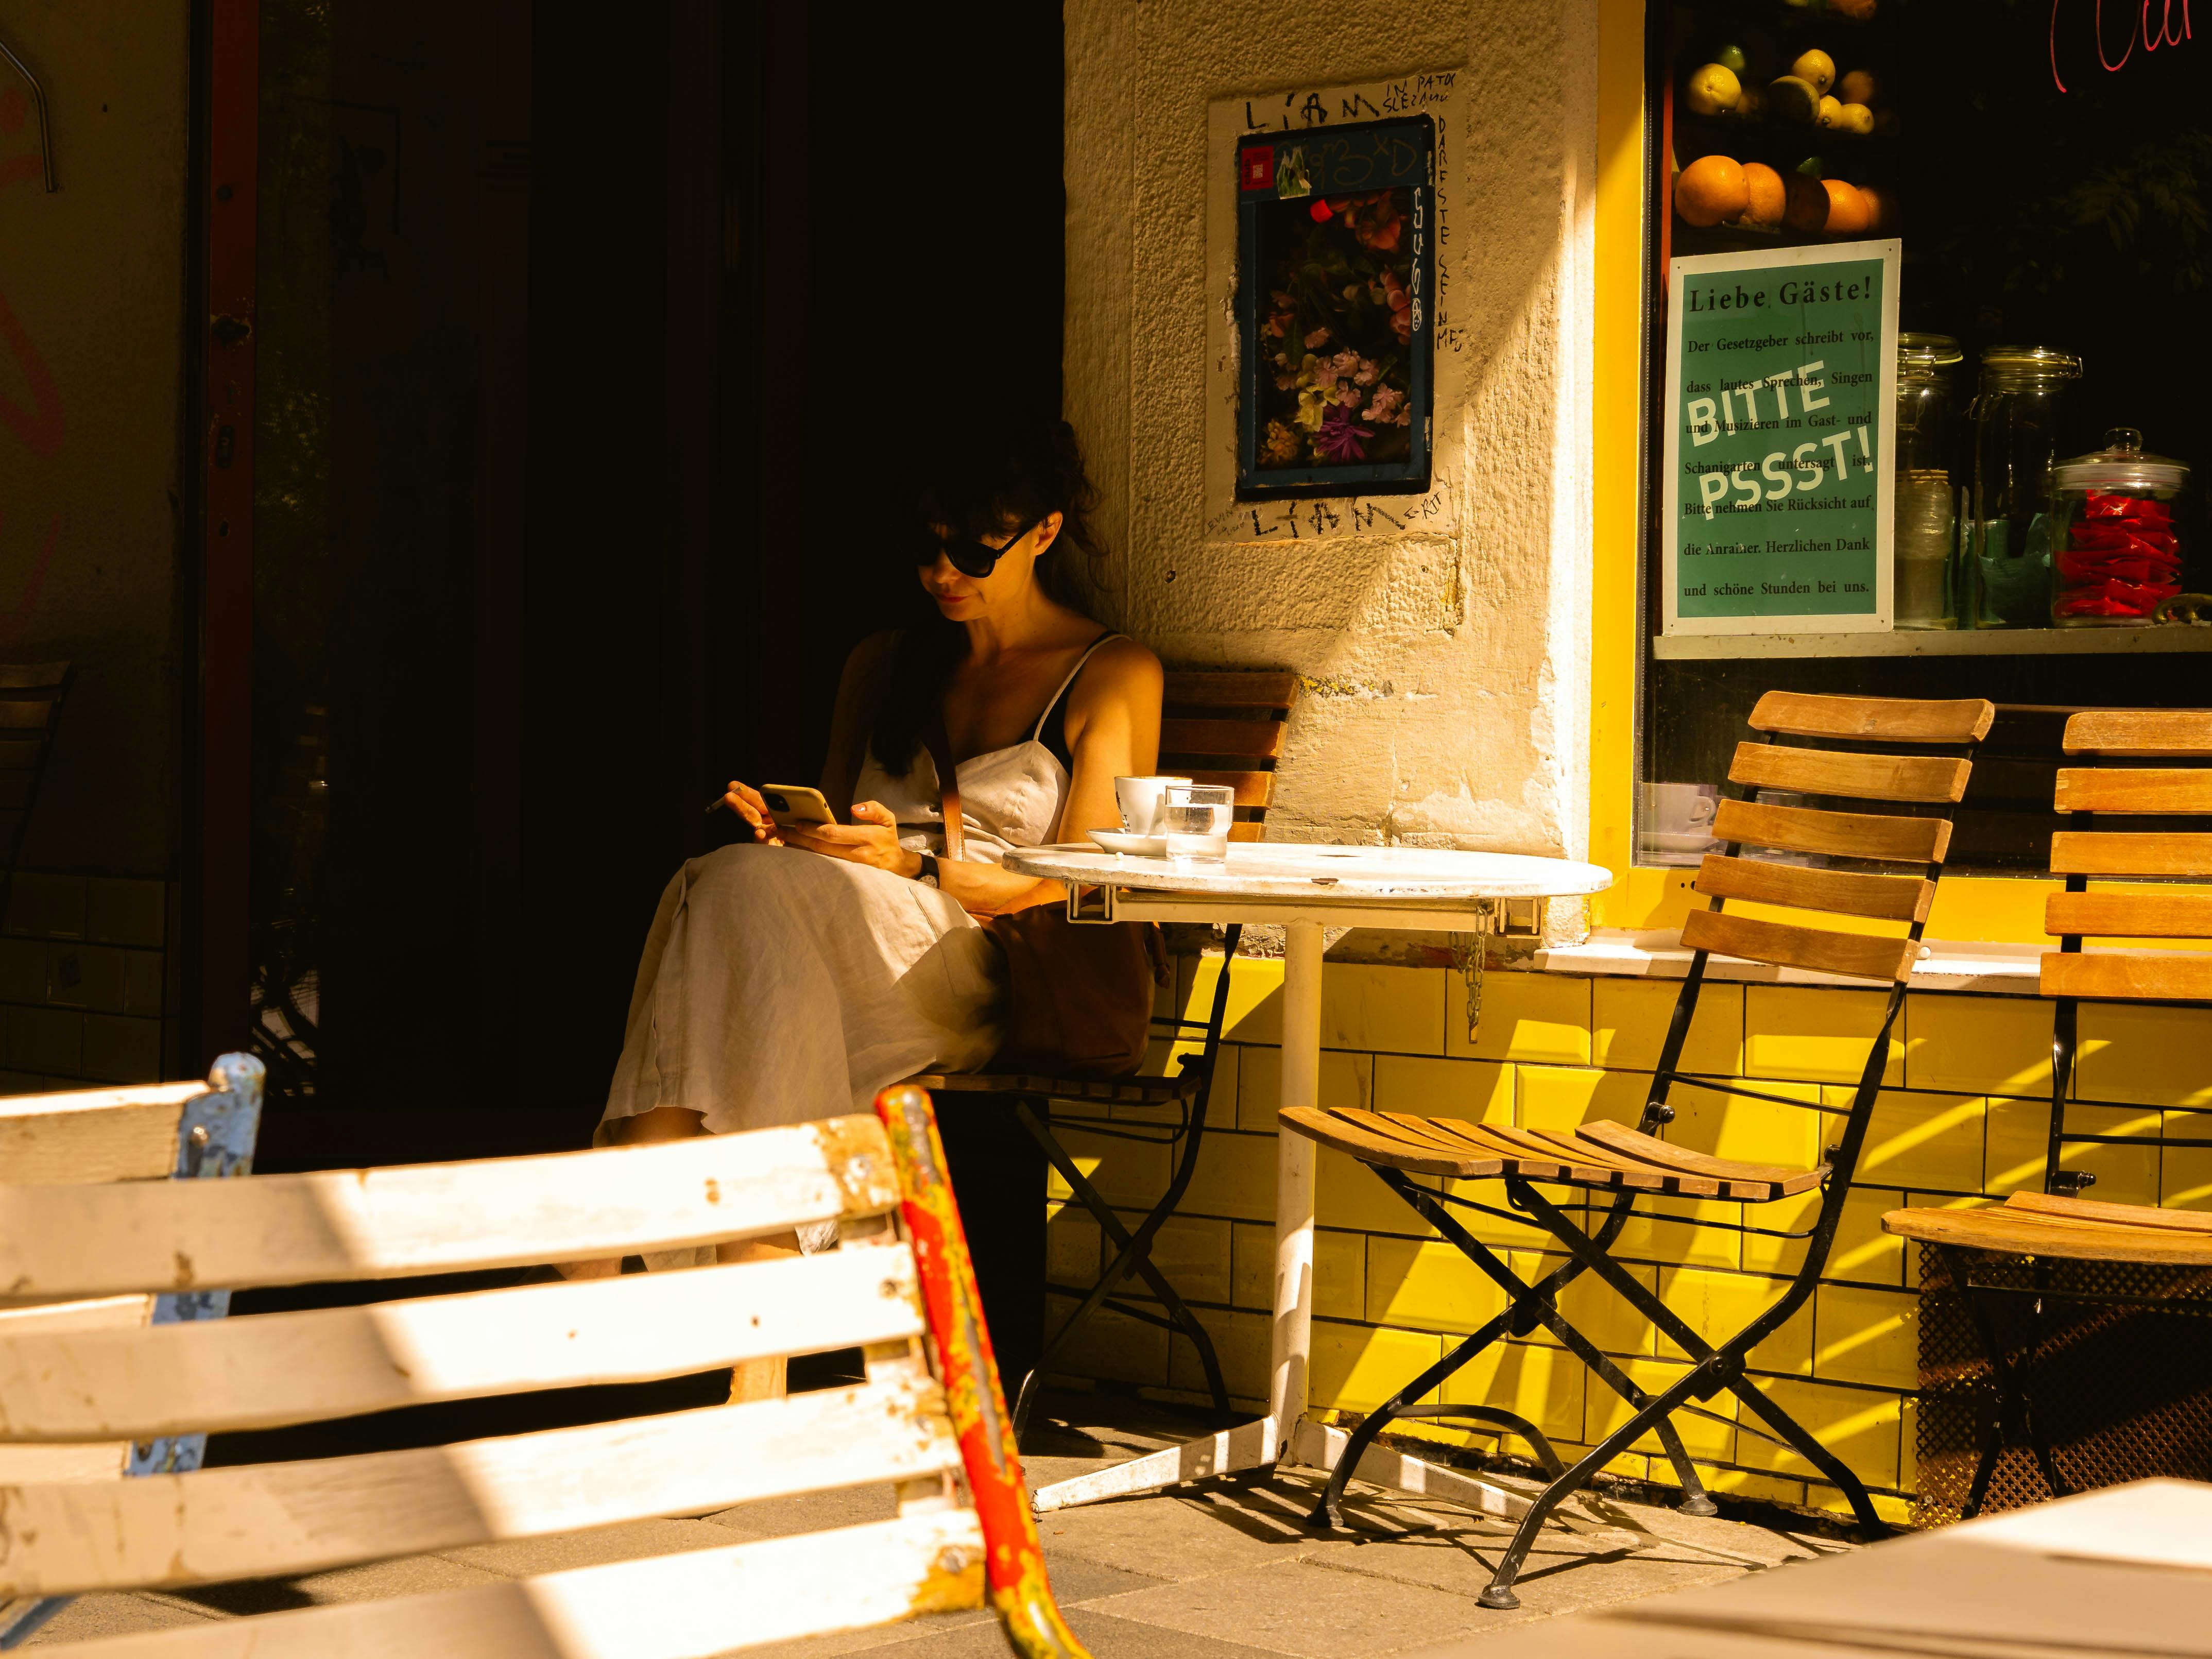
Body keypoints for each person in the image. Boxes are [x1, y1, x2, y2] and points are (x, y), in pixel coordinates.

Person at [577, 418, 1164, 1397]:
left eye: (976, 548)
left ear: (1047, 533)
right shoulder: (886, 664)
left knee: (729, 904)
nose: (944, 571)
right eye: (929, 545)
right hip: (826, 943)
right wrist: (795, 838)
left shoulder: (1110, 670)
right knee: (742, 896)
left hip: (982, 959)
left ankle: (608, 1235)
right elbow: (825, 840)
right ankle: (753, 1365)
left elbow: (1080, 884)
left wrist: (916, 868)